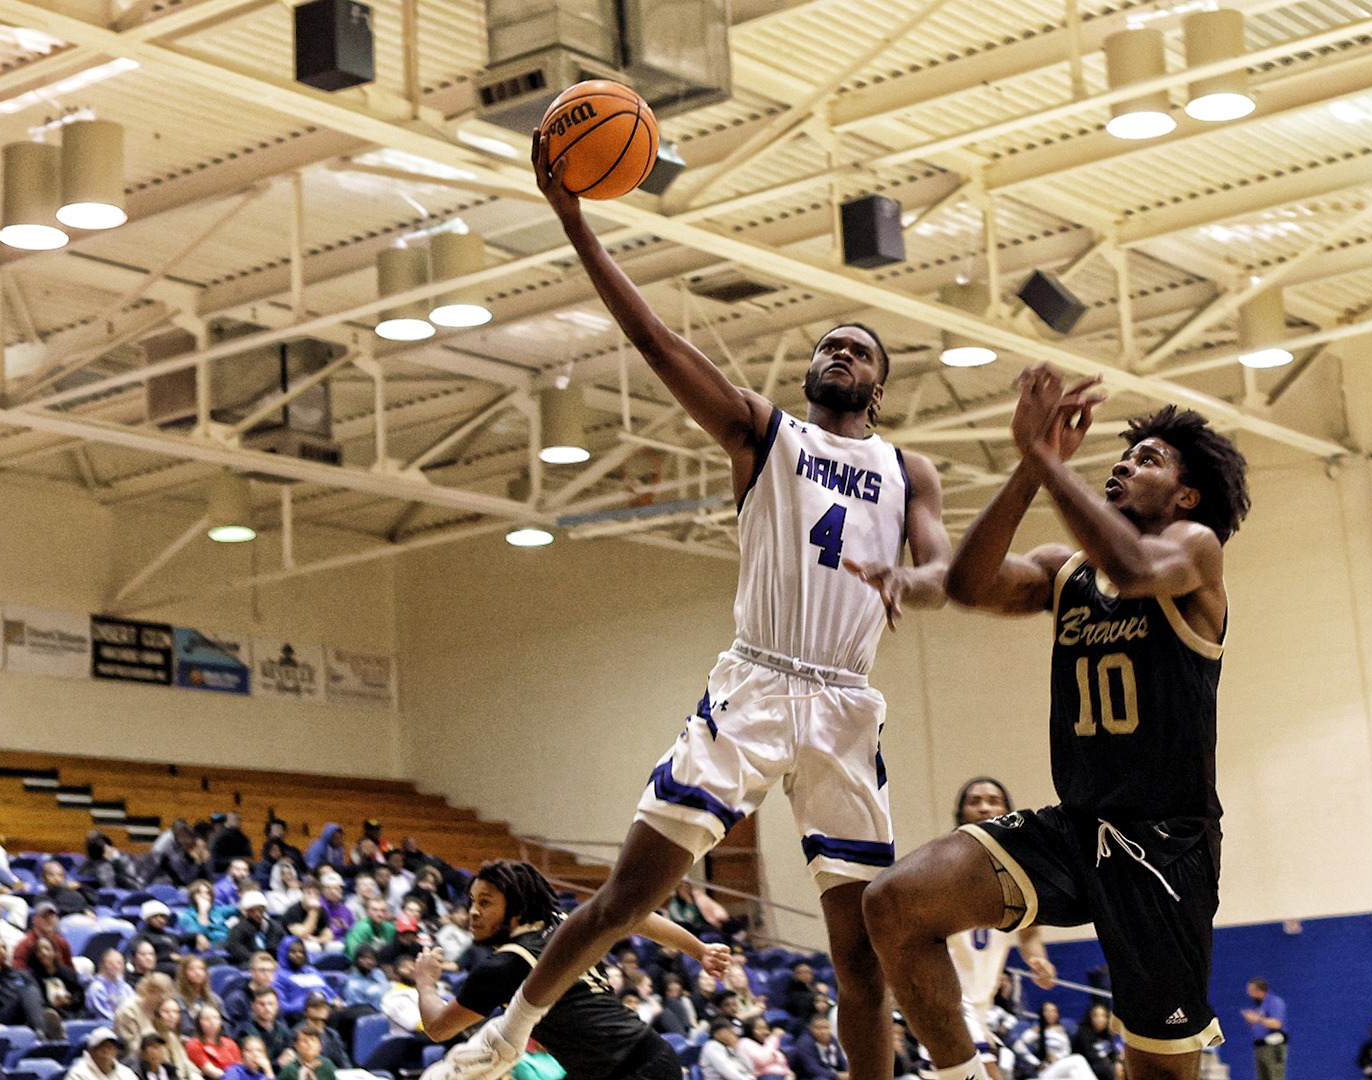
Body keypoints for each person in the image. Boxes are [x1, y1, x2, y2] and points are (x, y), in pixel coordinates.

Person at [430, 125, 954, 1080]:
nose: (843, 353)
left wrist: (913, 583)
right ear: (812, 375)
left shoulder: (907, 467)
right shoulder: (766, 435)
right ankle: (504, 1035)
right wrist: (575, 222)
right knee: (628, 898)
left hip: (844, 703)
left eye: (861, 349)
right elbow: (653, 339)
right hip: (753, 684)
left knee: (860, 958)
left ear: (881, 382)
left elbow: (943, 568)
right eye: (831, 345)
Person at [868, 371, 1250, 1080]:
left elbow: (1134, 566)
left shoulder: (1194, 551)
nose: (1122, 464)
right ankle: (962, 1075)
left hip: (1164, 847)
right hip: (1075, 829)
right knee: (894, 904)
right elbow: (965, 585)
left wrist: (1046, 459)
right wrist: (1028, 465)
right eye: (1124, 455)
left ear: (1186, 495)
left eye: (1148, 460)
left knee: (1158, 1071)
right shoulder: (1065, 571)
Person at [416, 862, 716, 1080]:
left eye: (485, 902)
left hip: (628, 1070)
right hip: (648, 1055)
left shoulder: (506, 965)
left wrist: (426, 983)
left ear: (516, 909)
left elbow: (439, 1027)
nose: (473, 912)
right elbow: (635, 917)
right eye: (472, 901)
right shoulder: (565, 923)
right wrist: (699, 950)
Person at [937, 779, 1056, 1080]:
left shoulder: (1022, 871)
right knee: (989, 1072)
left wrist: (1037, 959)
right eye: (975, 801)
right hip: (947, 998)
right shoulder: (940, 865)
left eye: (993, 800)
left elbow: (1029, 934)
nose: (984, 807)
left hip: (982, 1005)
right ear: (961, 813)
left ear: (1007, 810)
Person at [1009, 1002, 1090, 1080]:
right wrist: (1036, 1063)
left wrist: (1058, 1057)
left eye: (1053, 1011)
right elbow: (1018, 1046)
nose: (1050, 1014)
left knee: (1075, 1074)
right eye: (1047, 1011)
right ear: (1042, 1013)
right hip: (1046, 1071)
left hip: (1061, 1067)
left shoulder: (1060, 1030)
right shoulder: (1037, 1030)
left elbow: (1066, 1051)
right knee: (1078, 1059)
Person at [22, 935, 81, 1031]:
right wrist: (52, 1005)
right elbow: (34, 1004)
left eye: (46, 949)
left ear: (54, 952)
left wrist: (69, 1000)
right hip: (45, 1015)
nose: (43, 953)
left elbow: (79, 995)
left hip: (70, 1013)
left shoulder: (67, 973)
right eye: (39, 950)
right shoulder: (32, 977)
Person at [230, 987, 295, 1068]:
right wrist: (277, 1064)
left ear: (277, 1006)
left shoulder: (283, 1031)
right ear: (253, 1006)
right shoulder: (244, 1032)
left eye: (271, 1004)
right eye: (261, 1004)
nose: (267, 1008)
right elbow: (247, 1066)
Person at [227, 893, 286, 970]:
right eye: (253, 911)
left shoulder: (274, 927)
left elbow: (281, 946)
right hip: (248, 963)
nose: (257, 914)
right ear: (246, 912)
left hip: (273, 962)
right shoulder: (238, 928)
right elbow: (236, 948)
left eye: (260, 910)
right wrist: (257, 960)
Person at [118, 971, 176, 1048]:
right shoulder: (128, 1012)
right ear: (148, 991)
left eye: (167, 997)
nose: (163, 1000)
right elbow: (132, 1047)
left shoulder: (159, 1012)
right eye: (160, 996)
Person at [1242, 980, 1286, 1080]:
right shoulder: (1257, 1005)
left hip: (1273, 1045)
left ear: (1259, 990)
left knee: (1275, 1076)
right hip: (1260, 1046)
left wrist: (1258, 1019)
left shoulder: (1274, 1002)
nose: (1249, 993)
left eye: (1251, 990)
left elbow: (1277, 1023)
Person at [152, 997, 205, 1080]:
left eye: (176, 1012)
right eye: (166, 1012)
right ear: (156, 1013)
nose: (172, 1016)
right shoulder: (152, 1039)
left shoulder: (172, 1036)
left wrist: (194, 1074)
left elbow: (185, 1062)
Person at [188, 1005, 243, 1080]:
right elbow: (210, 1071)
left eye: (215, 1018)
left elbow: (239, 1067)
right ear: (199, 1023)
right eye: (207, 1019)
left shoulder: (230, 1043)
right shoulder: (194, 1044)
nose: (212, 1022)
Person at [788, 1014, 851, 1080]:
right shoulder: (804, 1043)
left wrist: (849, 1072)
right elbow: (812, 1069)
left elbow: (841, 1060)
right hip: (809, 1076)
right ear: (811, 1029)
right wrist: (837, 1076)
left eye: (826, 1028)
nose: (823, 1032)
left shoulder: (832, 1040)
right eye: (818, 1028)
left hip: (831, 1074)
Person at [295, 995, 349, 1070]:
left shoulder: (332, 1034)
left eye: (324, 1006)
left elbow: (343, 1061)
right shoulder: (298, 1032)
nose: (321, 1009)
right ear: (306, 1011)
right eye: (316, 1006)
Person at [134, 900, 186, 972]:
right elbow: (141, 959)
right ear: (148, 919)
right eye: (155, 917)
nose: (160, 920)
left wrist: (197, 937)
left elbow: (186, 938)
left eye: (163, 917)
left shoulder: (170, 936)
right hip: (157, 970)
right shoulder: (142, 937)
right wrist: (169, 957)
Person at [1071, 1005, 1120, 1080]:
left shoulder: (1107, 1034)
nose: (1100, 1019)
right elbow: (1091, 1057)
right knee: (1105, 1069)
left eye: (1103, 1016)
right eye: (1096, 1016)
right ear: (1090, 1017)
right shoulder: (1083, 1033)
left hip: (1104, 1069)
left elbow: (1113, 1055)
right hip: (1085, 1069)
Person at [177, 956, 223, 1035]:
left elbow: (224, 1025)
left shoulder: (214, 999)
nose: (197, 972)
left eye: (201, 969)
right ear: (183, 973)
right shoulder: (177, 999)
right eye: (192, 969)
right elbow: (185, 1027)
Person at [71, 1029, 140, 1080]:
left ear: (116, 1051)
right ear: (90, 1051)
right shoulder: (77, 1074)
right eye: (101, 1047)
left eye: (110, 1047)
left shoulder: (126, 1073)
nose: (106, 1052)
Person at [225, 954, 278, 1019]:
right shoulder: (237, 998)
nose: (267, 974)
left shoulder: (272, 996)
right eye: (262, 970)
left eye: (271, 970)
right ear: (252, 972)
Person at [90, 949, 137, 1022]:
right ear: (102, 965)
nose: (115, 966)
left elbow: (135, 1008)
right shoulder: (97, 988)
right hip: (104, 1027)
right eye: (110, 963)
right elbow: (104, 1014)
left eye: (119, 963)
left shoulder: (125, 987)